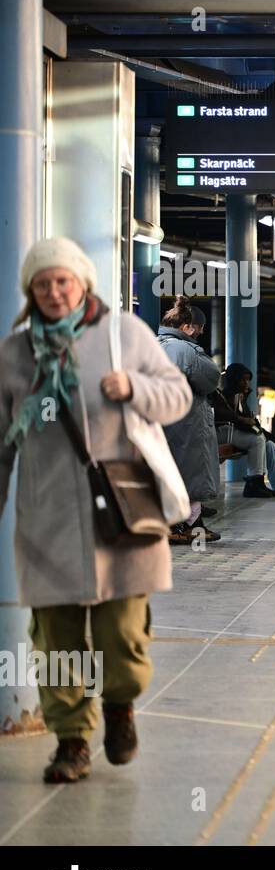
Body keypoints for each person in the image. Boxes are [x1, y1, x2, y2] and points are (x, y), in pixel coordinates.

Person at [0, 237, 192, 783]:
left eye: (63, 281)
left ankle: (119, 707)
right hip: (47, 522)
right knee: (56, 640)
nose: (54, 292)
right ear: (30, 292)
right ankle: (71, 742)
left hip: (121, 518)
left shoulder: (123, 335)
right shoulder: (14, 355)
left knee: (122, 635)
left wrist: (133, 386)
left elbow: (177, 395)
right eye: (43, 284)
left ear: (82, 283)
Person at [157, 298, 223, 540]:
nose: (200, 334)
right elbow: (211, 377)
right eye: (199, 328)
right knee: (192, 472)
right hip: (186, 422)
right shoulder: (185, 350)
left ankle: (184, 525)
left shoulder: (152, 345)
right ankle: (185, 527)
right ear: (186, 327)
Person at [213, 363, 275, 496]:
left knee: (269, 444)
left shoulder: (239, 396)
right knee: (257, 439)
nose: (246, 383)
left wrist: (264, 432)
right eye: (242, 380)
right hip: (223, 433)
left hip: (232, 433)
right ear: (234, 380)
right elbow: (230, 417)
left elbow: (248, 419)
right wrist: (248, 424)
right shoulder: (225, 395)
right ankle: (254, 483)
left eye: (247, 380)